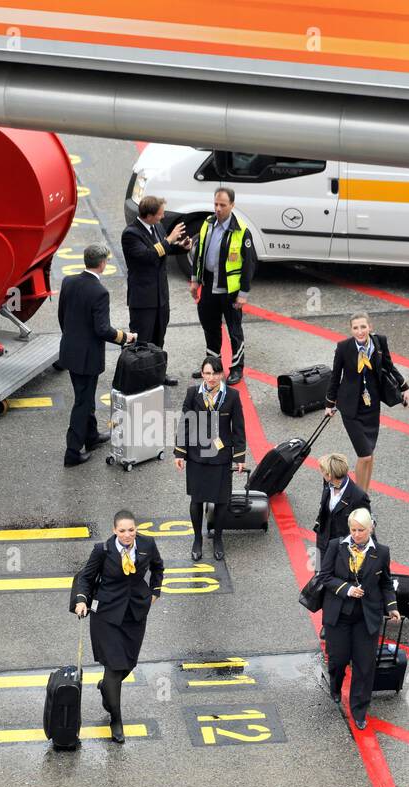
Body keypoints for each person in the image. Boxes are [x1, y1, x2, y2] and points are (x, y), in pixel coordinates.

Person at [70, 510, 165, 743]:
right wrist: (81, 600)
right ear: (114, 531)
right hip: (107, 616)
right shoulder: (102, 551)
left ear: (136, 529)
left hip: (135, 613)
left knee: (129, 664)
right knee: (114, 667)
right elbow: (85, 577)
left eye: (131, 530)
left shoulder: (147, 544)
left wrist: (155, 592)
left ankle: (106, 688)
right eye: (122, 531)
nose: (127, 535)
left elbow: (158, 567)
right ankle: (116, 719)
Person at [315, 508, 400, 730]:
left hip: (366, 617)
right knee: (338, 659)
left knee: (365, 665)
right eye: (353, 529)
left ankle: (359, 710)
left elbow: (386, 582)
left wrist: (392, 607)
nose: (356, 534)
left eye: (361, 530)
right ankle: (335, 685)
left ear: (370, 529)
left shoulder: (381, 552)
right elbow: (324, 576)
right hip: (339, 615)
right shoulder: (336, 546)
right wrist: (347, 590)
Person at [57, 244, 135, 467]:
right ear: (102, 263)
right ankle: (72, 451)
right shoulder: (99, 292)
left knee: (86, 396)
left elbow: (63, 316)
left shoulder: (68, 282)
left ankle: (91, 437)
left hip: (70, 352)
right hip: (87, 357)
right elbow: (102, 329)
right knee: (82, 402)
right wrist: (125, 337)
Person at [324, 312, 409, 490]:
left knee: (369, 455)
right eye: (355, 328)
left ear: (370, 327)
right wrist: (329, 404)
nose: (360, 331)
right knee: (364, 456)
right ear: (351, 329)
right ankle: (358, 496)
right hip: (350, 408)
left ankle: (364, 496)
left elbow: (388, 365)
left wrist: (404, 386)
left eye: (363, 327)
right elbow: (335, 377)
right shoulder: (343, 348)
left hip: (371, 406)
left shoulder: (379, 342)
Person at [174, 355, 247, 562]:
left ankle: (218, 539)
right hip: (197, 455)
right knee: (197, 500)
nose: (211, 377)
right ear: (202, 374)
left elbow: (238, 428)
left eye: (215, 373)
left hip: (222, 455)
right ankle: (197, 539)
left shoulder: (232, 396)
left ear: (221, 374)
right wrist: (180, 452)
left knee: (221, 501)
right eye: (207, 373)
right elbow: (184, 424)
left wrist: (239, 456)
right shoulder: (192, 394)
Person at [121, 195, 192, 386]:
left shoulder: (157, 227)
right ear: (149, 215)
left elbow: (164, 249)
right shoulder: (131, 234)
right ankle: (140, 378)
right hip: (143, 300)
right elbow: (148, 255)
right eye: (160, 214)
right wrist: (169, 240)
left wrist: (181, 248)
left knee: (159, 338)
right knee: (142, 342)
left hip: (161, 297)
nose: (162, 218)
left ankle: (158, 374)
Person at [189, 187, 255, 386]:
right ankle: (212, 367)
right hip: (209, 286)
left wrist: (243, 293)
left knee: (234, 330)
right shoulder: (207, 224)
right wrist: (195, 280)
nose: (218, 208)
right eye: (215, 204)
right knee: (210, 328)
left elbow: (249, 264)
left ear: (232, 205)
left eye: (222, 205)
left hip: (230, 291)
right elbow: (199, 253)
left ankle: (236, 368)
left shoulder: (241, 231)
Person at [313, 452, 371, 558]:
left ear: (330, 475)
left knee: (336, 573)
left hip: (342, 547)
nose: (321, 473)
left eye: (323, 471)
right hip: (323, 540)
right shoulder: (328, 483)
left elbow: (366, 523)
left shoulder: (358, 496)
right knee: (319, 571)